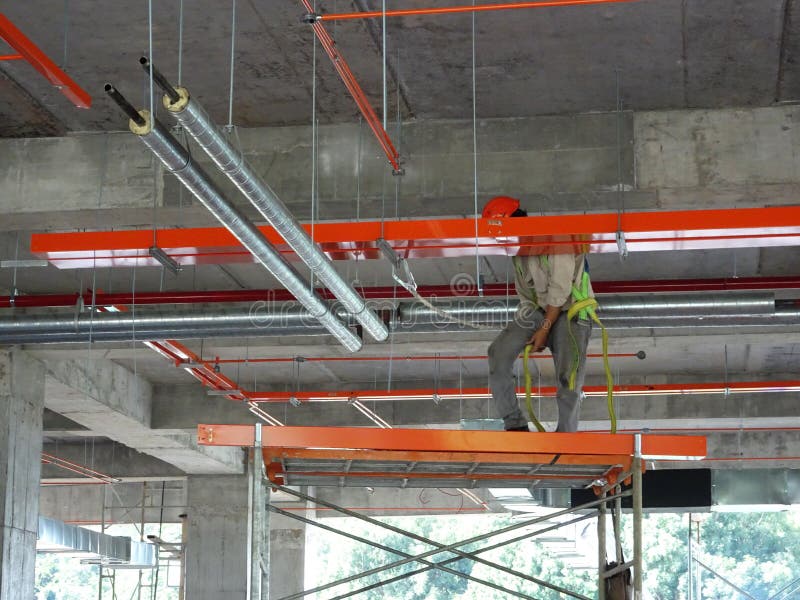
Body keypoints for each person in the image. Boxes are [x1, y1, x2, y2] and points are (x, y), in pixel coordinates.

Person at [484, 196, 593, 432]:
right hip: (538, 310)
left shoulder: (557, 236)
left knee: (569, 377)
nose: (504, 241)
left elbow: (560, 290)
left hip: (570, 309)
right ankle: (515, 425)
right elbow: (526, 296)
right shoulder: (519, 254)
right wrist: (527, 327)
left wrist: (543, 330)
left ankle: (566, 434)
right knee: (498, 353)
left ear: (517, 223)